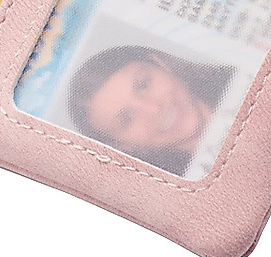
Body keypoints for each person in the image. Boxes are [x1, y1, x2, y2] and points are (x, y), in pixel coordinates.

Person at [66, 45, 234, 175]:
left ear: (161, 63)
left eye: (144, 85)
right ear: (123, 147)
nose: (153, 109)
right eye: (127, 118)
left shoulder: (243, 70)